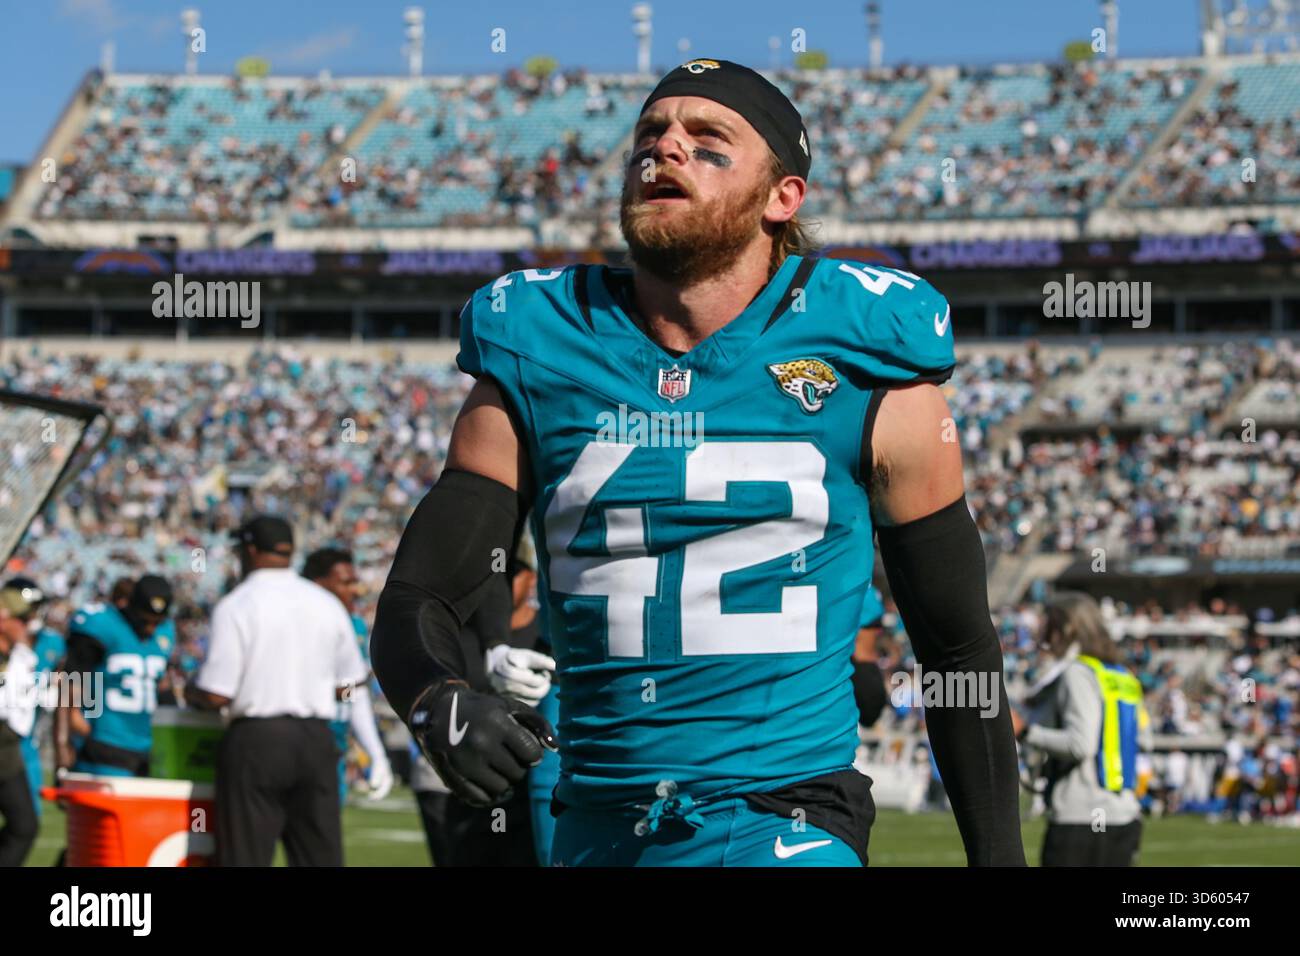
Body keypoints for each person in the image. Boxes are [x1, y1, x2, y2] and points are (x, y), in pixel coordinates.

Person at [372, 58, 1024, 867]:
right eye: (651, 135)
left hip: (783, 817)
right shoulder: (539, 344)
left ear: (783, 197)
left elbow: (957, 649)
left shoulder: (867, 359)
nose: (665, 149)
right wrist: (439, 703)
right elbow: (417, 598)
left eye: (708, 142)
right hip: (594, 824)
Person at [186, 515, 370, 867]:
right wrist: (312, 689)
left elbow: (217, 694)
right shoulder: (326, 603)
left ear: (250, 550)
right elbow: (350, 684)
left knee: (246, 858)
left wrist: (192, 692)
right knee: (320, 858)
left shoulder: (237, 604)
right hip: (316, 739)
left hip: (257, 740)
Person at [1012, 591, 1152, 866]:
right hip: (1124, 814)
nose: (1043, 633)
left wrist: (1025, 731)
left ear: (1065, 628)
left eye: (1048, 624)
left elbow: (1080, 744)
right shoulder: (1121, 674)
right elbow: (1145, 740)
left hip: (1081, 815)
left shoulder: (1078, 673)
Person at [54, 575, 175, 778]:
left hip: (148, 746)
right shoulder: (102, 625)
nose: (151, 627)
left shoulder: (165, 634)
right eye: (145, 620)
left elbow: (161, 685)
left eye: (157, 621)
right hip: (105, 743)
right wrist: (65, 739)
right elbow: (71, 681)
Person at [301, 547, 394, 804]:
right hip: (295, 735)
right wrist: (333, 691)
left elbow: (355, 690)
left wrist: (376, 753)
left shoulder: (353, 623)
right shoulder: (293, 619)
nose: (355, 590)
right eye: (345, 582)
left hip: (334, 740)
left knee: (323, 836)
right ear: (318, 583)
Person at [0, 594, 39, 866]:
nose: (29, 625)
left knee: (24, 825)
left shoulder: (19, 656)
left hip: (7, 743)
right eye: (22, 619)